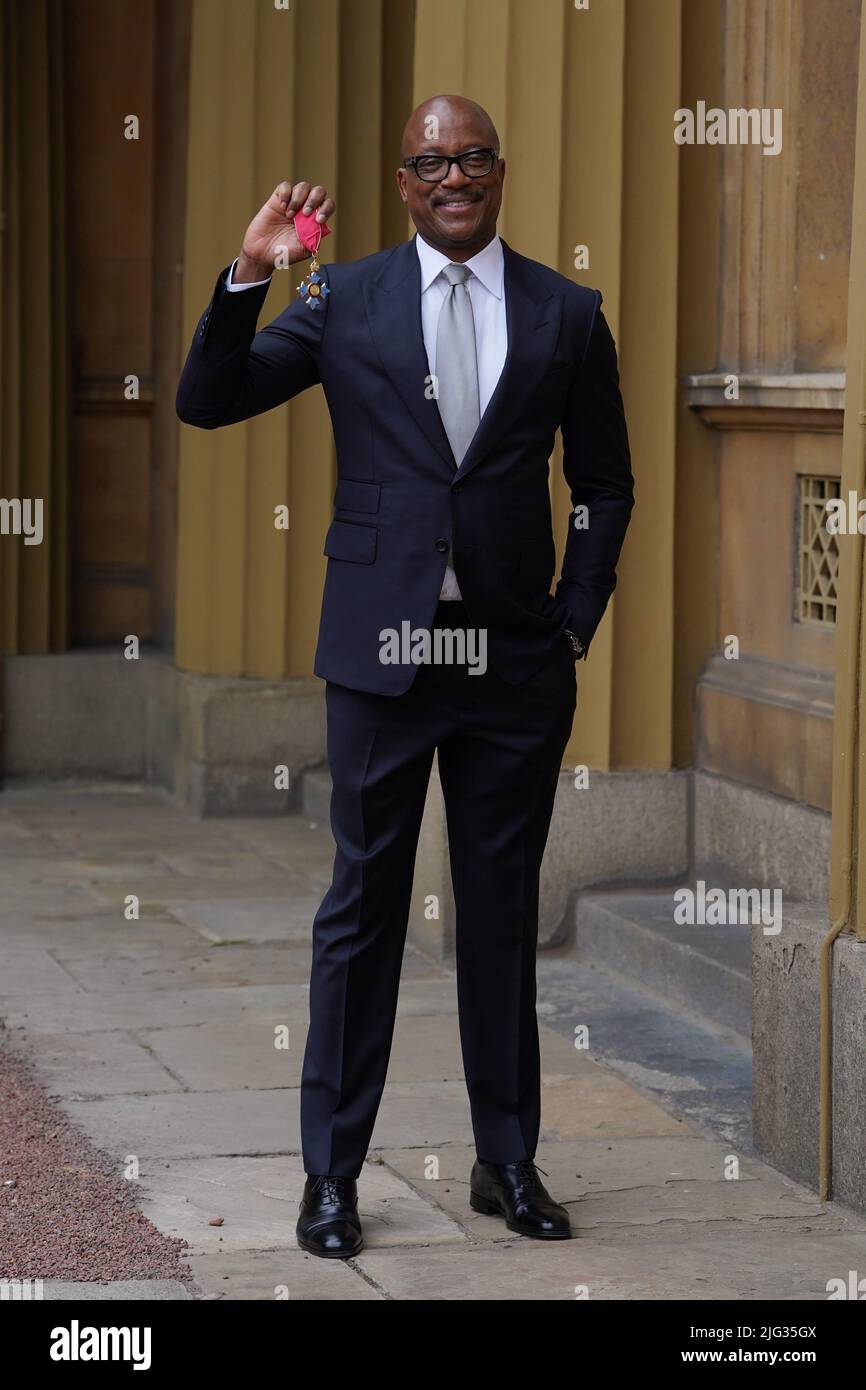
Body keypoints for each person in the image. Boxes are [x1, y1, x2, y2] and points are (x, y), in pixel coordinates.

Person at [177, 94, 634, 1259]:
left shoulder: (566, 313)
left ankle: (506, 1162)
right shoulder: (341, 298)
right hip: (383, 660)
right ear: (401, 181)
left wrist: (570, 619)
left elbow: (604, 483)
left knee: (496, 916)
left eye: (471, 157)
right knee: (361, 916)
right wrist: (249, 273)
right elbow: (208, 400)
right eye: (430, 161)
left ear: (499, 172)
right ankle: (330, 1180)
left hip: (507, 664)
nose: (452, 176)